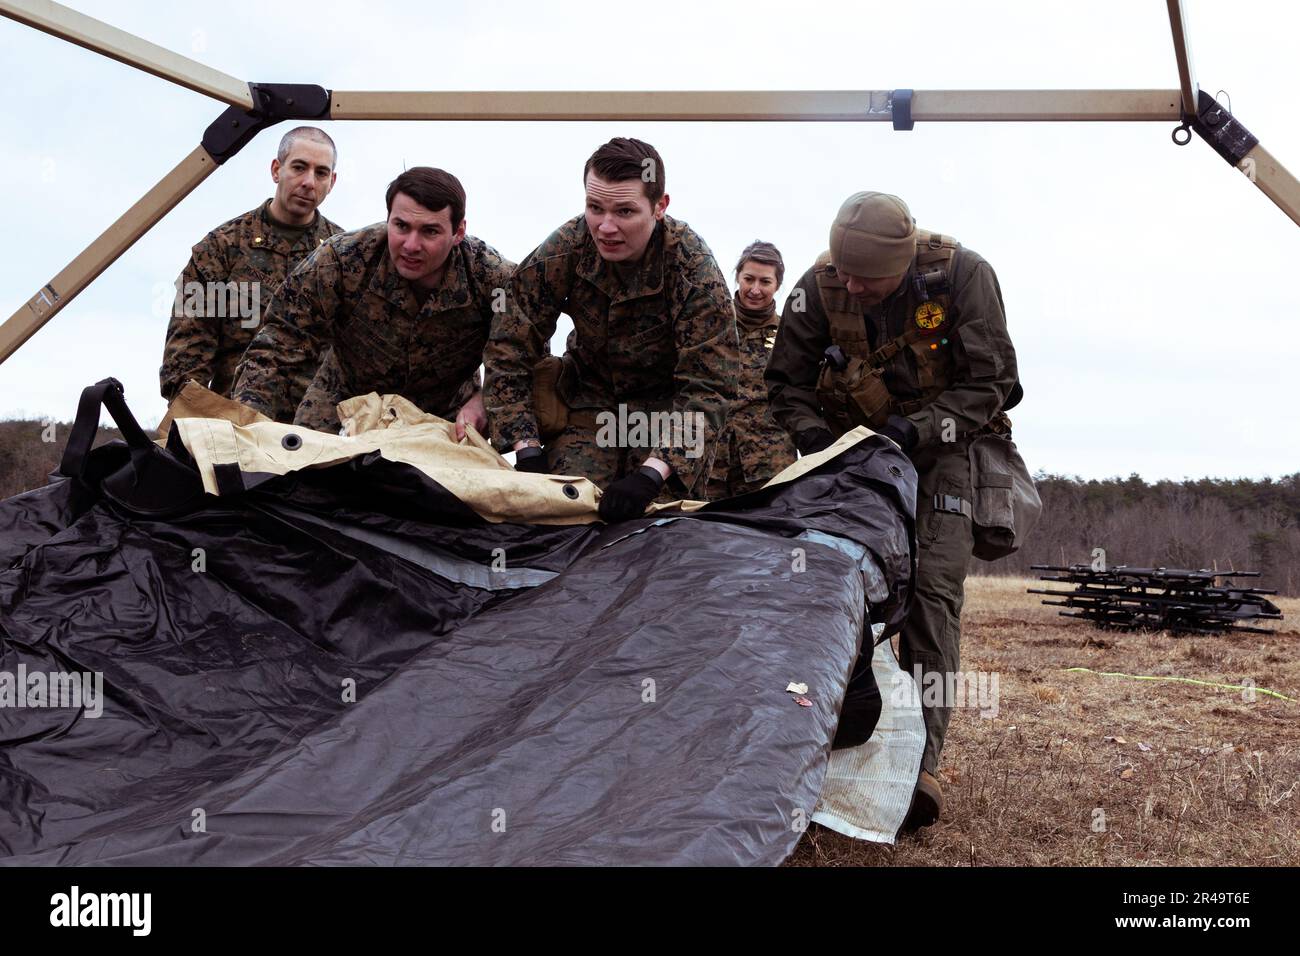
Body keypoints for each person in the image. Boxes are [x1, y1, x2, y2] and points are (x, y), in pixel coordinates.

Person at [765, 191, 1020, 830]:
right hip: (852, 456)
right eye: (844, 271)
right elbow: (784, 384)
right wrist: (819, 442)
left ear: (904, 263)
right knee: (829, 589)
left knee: (932, 598)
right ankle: (822, 749)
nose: (851, 285)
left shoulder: (965, 277)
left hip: (944, 452)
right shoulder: (817, 288)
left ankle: (919, 768)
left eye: (867, 277)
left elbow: (993, 382)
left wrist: (923, 429)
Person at [483, 137, 737, 519]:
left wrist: (652, 473)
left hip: (666, 411)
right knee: (564, 510)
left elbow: (710, 385)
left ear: (660, 207)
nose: (606, 227)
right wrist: (527, 446)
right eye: (594, 207)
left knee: (659, 524)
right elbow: (509, 345)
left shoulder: (693, 270)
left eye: (624, 211)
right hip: (590, 399)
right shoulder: (564, 250)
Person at [232, 167, 513, 437]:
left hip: (445, 422)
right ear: (388, 218)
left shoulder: (492, 279)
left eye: (430, 231)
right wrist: (247, 428)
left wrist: (486, 400)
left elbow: (524, 356)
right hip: (340, 410)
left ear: (458, 232)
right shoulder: (341, 261)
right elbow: (277, 346)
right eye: (401, 226)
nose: (411, 245)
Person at [160, 126, 343, 403]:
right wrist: (199, 425)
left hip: (318, 429)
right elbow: (187, 353)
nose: (308, 182)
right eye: (299, 167)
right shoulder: (222, 247)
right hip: (237, 422)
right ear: (276, 170)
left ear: (332, 181)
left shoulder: (344, 256)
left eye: (321, 173)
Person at [704, 241, 796, 499]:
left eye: (765, 282)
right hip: (709, 461)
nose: (755, 290)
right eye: (749, 279)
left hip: (769, 465)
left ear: (777, 285)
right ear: (737, 278)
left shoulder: (792, 334)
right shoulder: (708, 325)